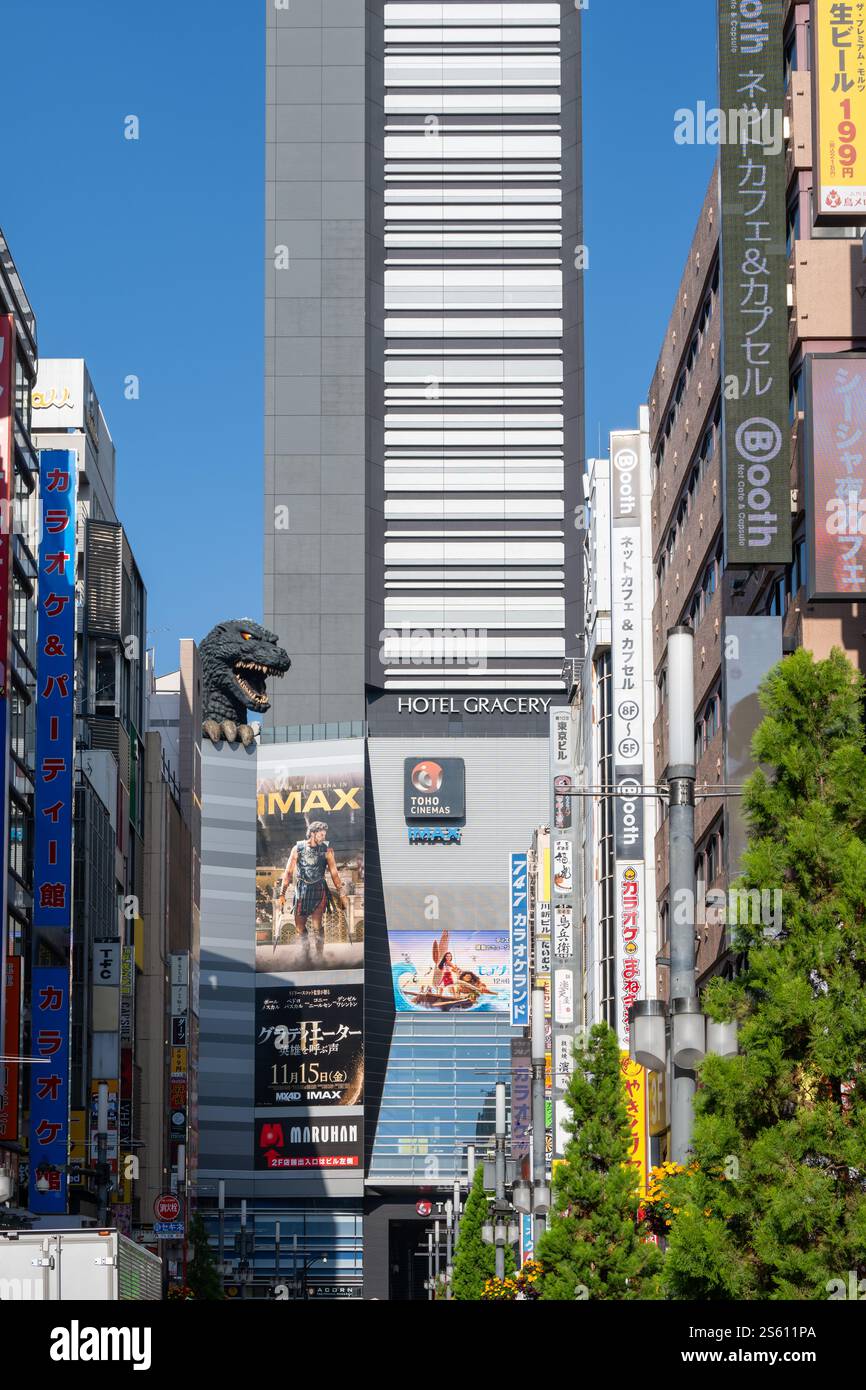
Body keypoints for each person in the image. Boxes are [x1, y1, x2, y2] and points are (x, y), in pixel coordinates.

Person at [277, 821, 348, 960]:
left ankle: (319, 955)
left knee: (317, 925)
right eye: (321, 834)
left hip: (319, 889)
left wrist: (341, 893)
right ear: (312, 833)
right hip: (302, 890)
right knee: (299, 927)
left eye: (324, 835)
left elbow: (334, 874)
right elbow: (288, 872)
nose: (323, 837)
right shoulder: (297, 849)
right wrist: (282, 894)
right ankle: (306, 950)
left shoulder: (327, 851)